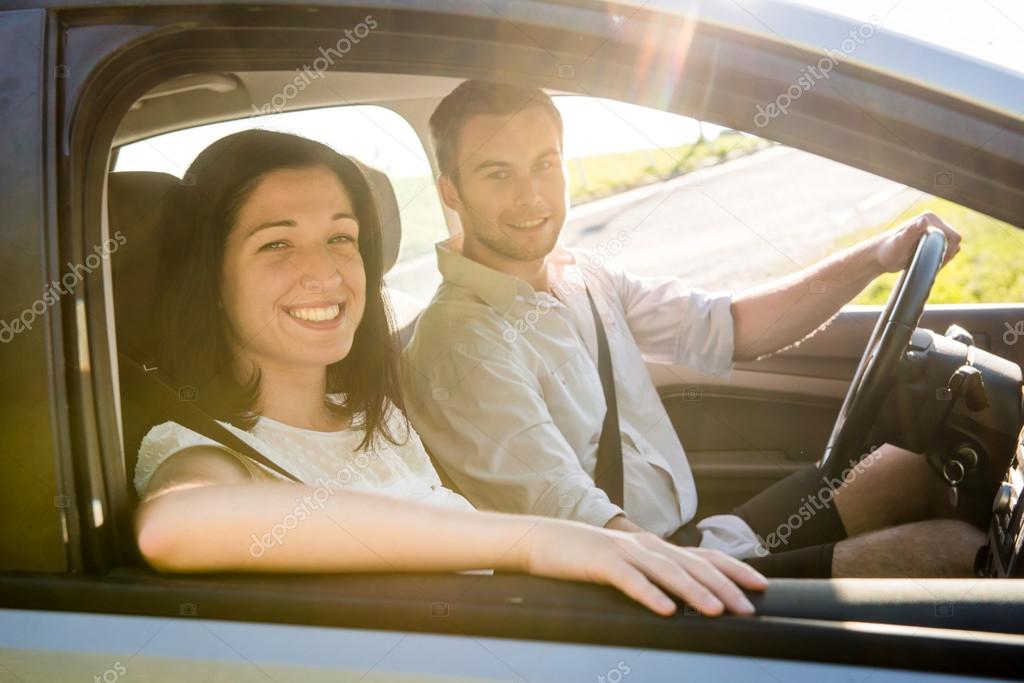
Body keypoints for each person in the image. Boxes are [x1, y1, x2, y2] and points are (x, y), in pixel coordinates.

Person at [131, 129, 767, 618]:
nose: (324, 273)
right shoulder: (206, 452)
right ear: (211, 277)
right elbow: (173, 525)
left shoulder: (373, 418)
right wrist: (538, 542)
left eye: (341, 238)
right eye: (276, 243)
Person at [402, 80, 986, 578]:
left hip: (691, 540)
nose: (530, 194)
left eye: (545, 164)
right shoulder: (460, 344)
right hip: (633, 581)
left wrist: (876, 256)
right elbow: (576, 520)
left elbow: (731, 326)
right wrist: (705, 578)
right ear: (450, 190)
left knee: (914, 468)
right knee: (958, 554)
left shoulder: (580, 276)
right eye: (497, 173)